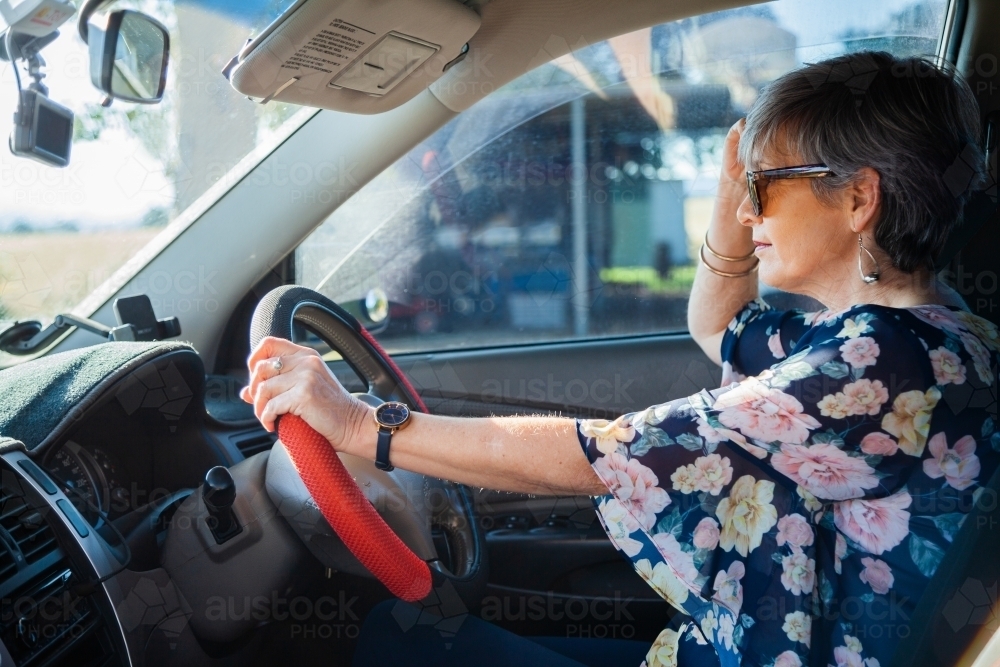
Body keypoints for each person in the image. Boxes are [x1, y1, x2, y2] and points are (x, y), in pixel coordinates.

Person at [240, 51, 999, 667]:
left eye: (766, 188)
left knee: (392, 638)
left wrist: (357, 422)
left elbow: (601, 454)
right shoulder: (924, 337)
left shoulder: (880, 363)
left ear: (860, 199)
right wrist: (736, 195)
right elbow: (721, 324)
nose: (744, 209)